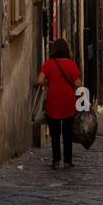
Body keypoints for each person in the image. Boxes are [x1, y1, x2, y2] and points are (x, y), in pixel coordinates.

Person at [36, 38, 83, 169]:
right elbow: (78, 83)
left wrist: (48, 82)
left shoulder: (49, 64)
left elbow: (39, 80)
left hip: (53, 103)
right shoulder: (72, 64)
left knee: (55, 134)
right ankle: (68, 161)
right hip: (68, 103)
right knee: (67, 134)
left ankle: (56, 161)